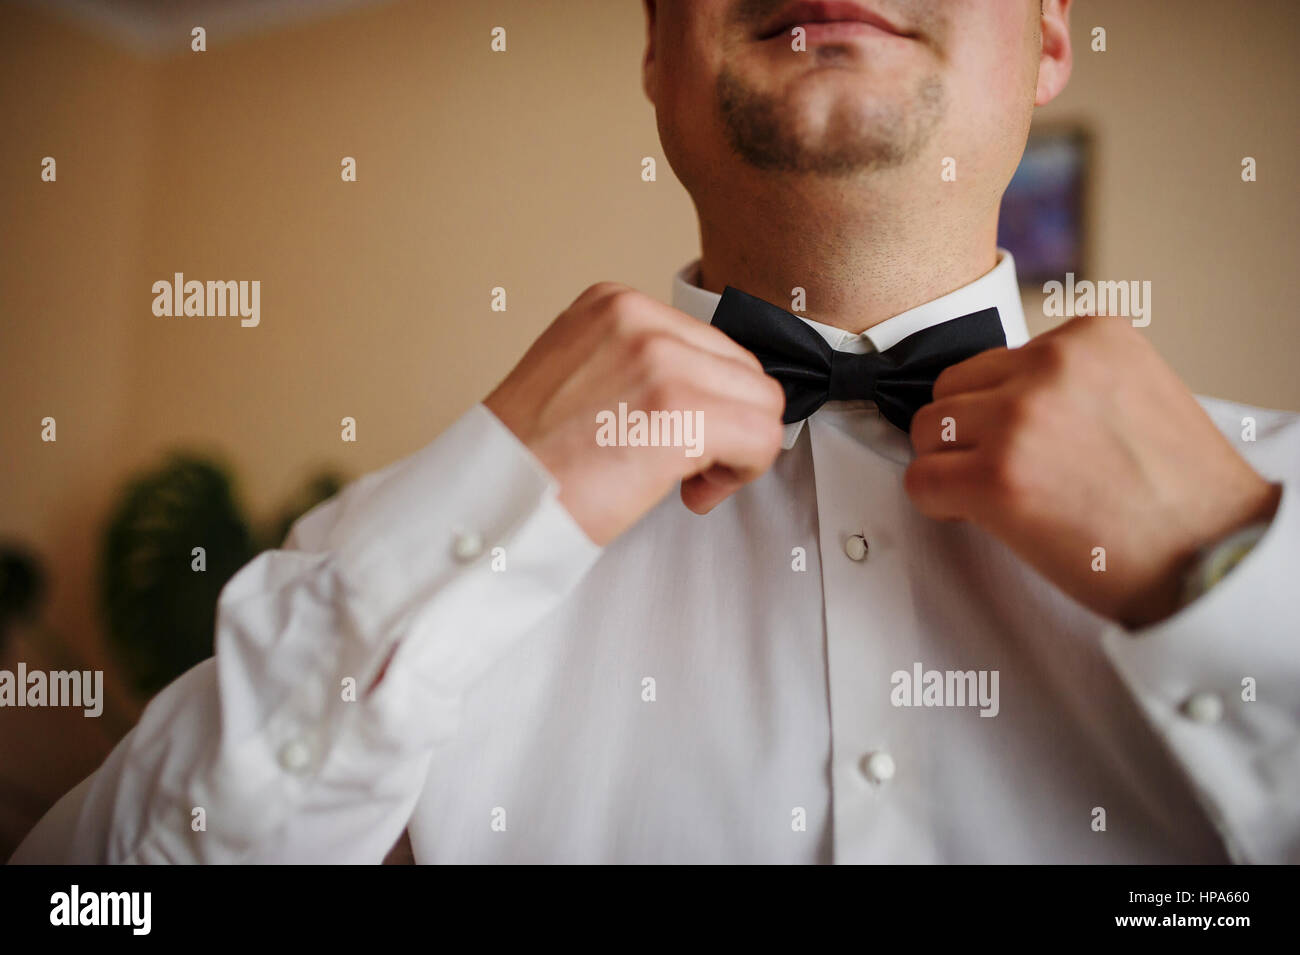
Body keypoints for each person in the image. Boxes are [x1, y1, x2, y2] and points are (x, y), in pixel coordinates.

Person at [12, 0, 1298, 864]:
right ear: (653, 46)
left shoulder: (1272, 497)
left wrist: (1235, 576)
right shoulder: (398, 561)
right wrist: (478, 512)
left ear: (1051, 35)